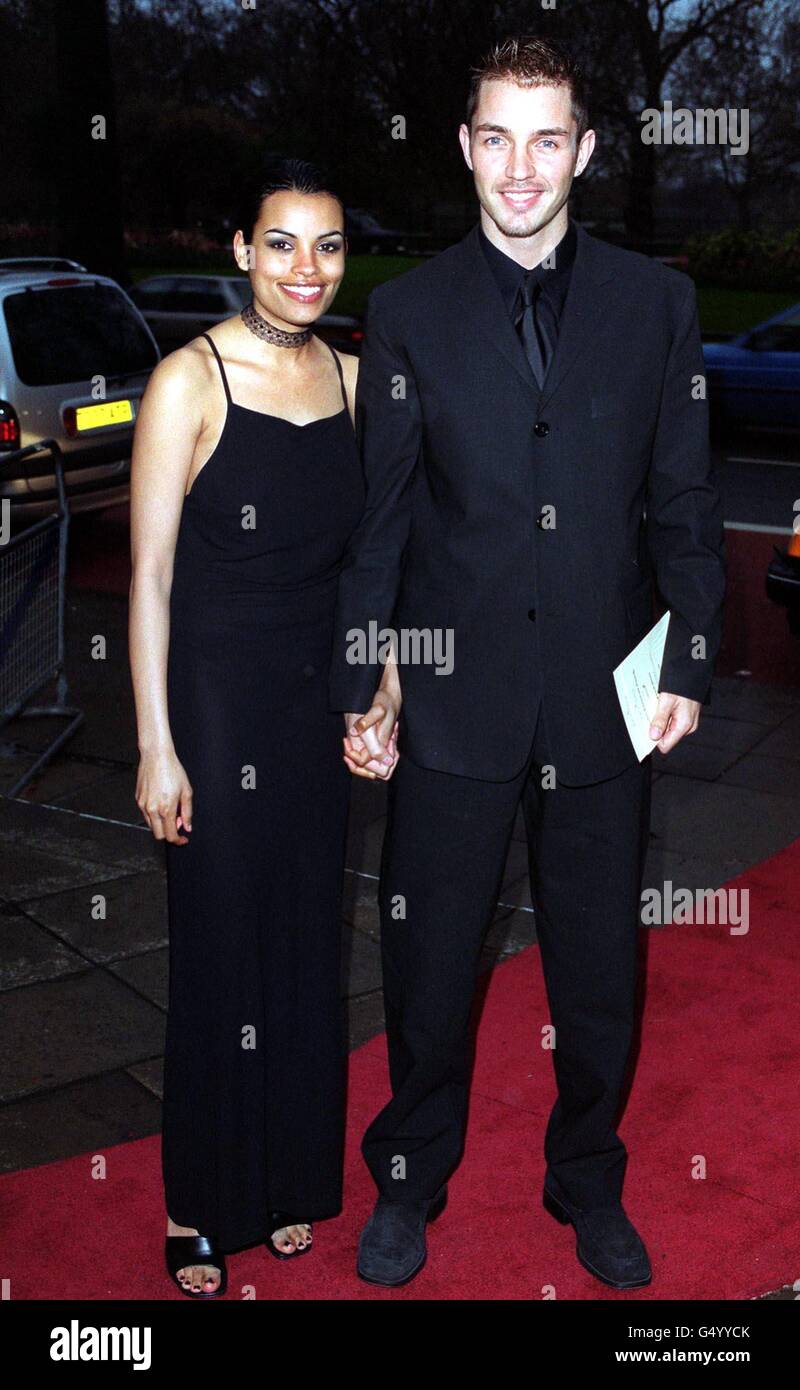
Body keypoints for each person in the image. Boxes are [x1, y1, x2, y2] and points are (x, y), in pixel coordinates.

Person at [331, 36, 726, 1290]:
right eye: (495, 136)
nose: (519, 166)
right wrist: (364, 682)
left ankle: (585, 1178)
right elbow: (380, 520)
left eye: (545, 137)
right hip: (449, 699)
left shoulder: (653, 305)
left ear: (585, 151)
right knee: (427, 961)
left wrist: (690, 662)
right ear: (462, 146)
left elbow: (682, 502)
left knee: (600, 965)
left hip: (606, 695)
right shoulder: (404, 312)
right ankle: (407, 1182)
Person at [129, 157, 384, 1297]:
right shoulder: (187, 379)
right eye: (280, 243)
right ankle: (199, 1205)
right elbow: (147, 577)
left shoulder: (357, 378)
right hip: (213, 693)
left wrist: (382, 687)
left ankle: (286, 1178)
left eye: (326, 245)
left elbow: (374, 565)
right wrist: (154, 741)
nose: (304, 268)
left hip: (307, 700)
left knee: (301, 944)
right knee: (220, 943)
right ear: (240, 249)